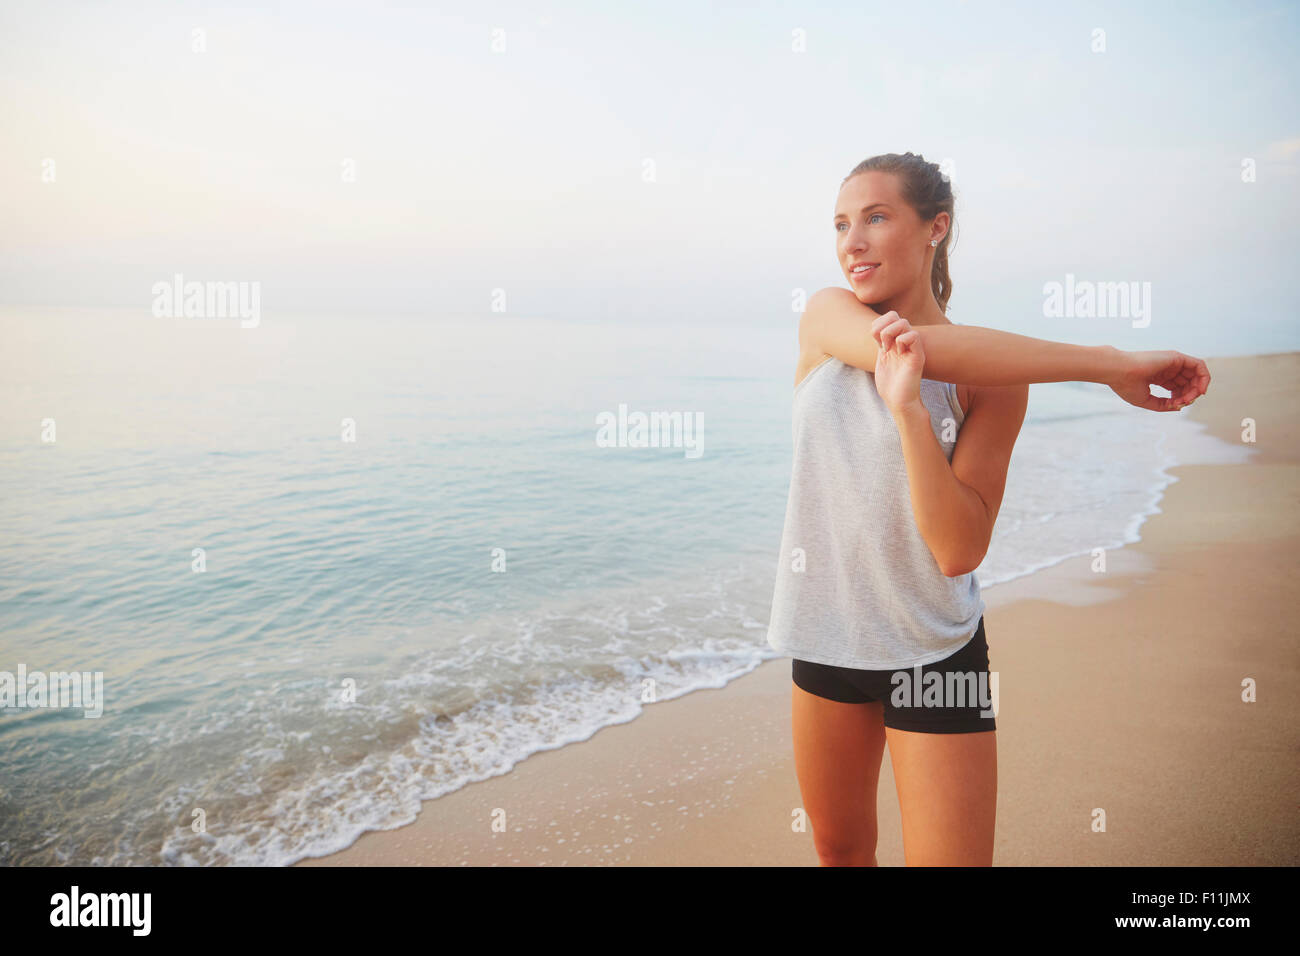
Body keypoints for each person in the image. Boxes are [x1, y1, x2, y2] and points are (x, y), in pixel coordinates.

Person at [766, 151, 1210, 866]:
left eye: (876, 218)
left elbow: (956, 549)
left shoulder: (1001, 381)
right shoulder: (826, 318)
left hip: (937, 649)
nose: (852, 241)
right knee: (840, 853)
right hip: (828, 636)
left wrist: (909, 414)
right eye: (842, 223)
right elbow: (906, 349)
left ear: (936, 227)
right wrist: (1108, 364)